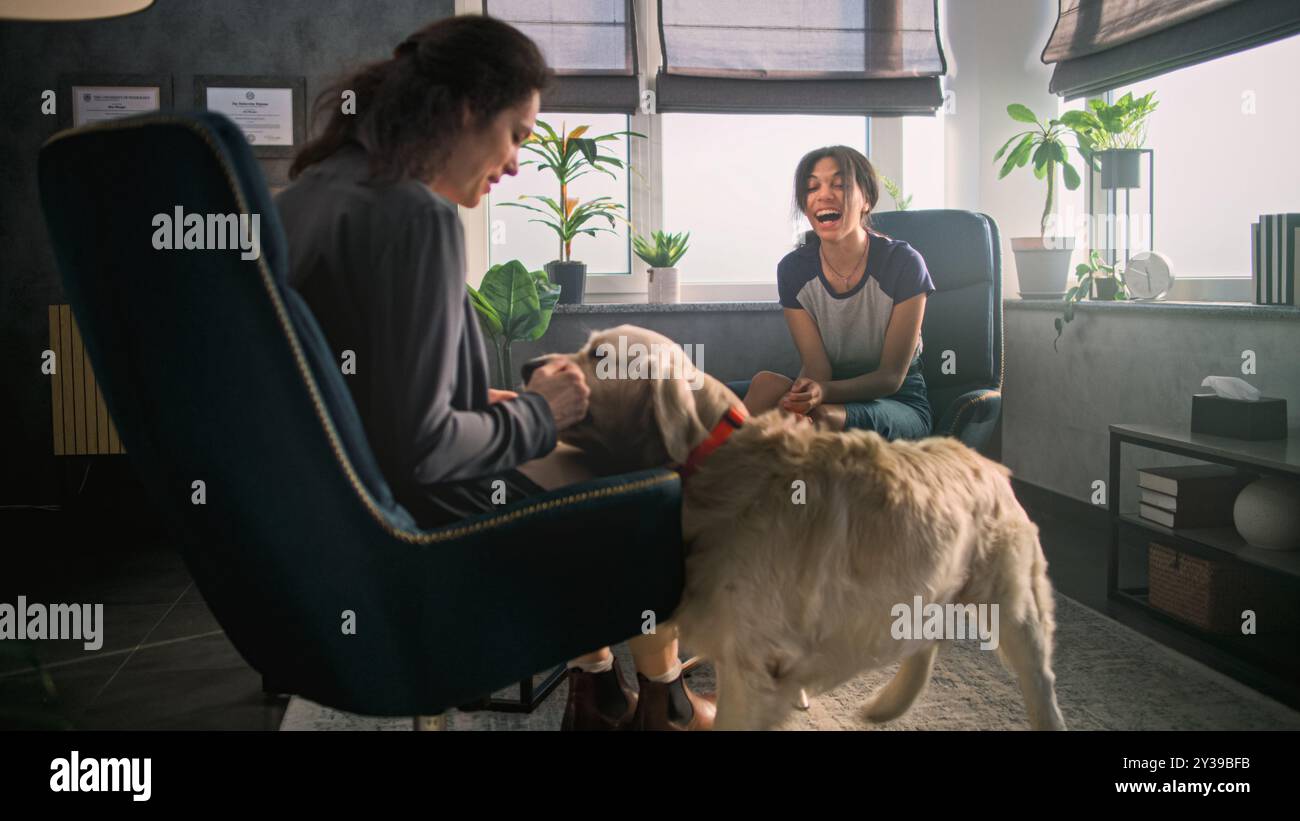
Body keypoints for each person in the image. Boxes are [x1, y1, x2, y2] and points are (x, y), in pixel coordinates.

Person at [274, 16, 712, 730]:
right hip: (436, 541)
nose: (515, 164)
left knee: (593, 475)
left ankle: (601, 689)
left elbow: (362, 394)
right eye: (517, 134)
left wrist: (478, 401)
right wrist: (542, 411)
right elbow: (425, 447)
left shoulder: (304, 199)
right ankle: (666, 703)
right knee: (665, 495)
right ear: (468, 109)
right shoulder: (414, 216)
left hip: (337, 531)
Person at [740, 146, 935, 439]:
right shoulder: (793, 270)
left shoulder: (904, 263)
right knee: (764, 384)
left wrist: (821, 395)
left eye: (840, 185)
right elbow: (818, 366)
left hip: (897, 400)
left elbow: (891, 377)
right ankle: (721, 468)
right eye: (811, 187)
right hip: (828, 390)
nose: (824, 195)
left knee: (821, 417)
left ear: (866, 200)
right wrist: (801, 397)